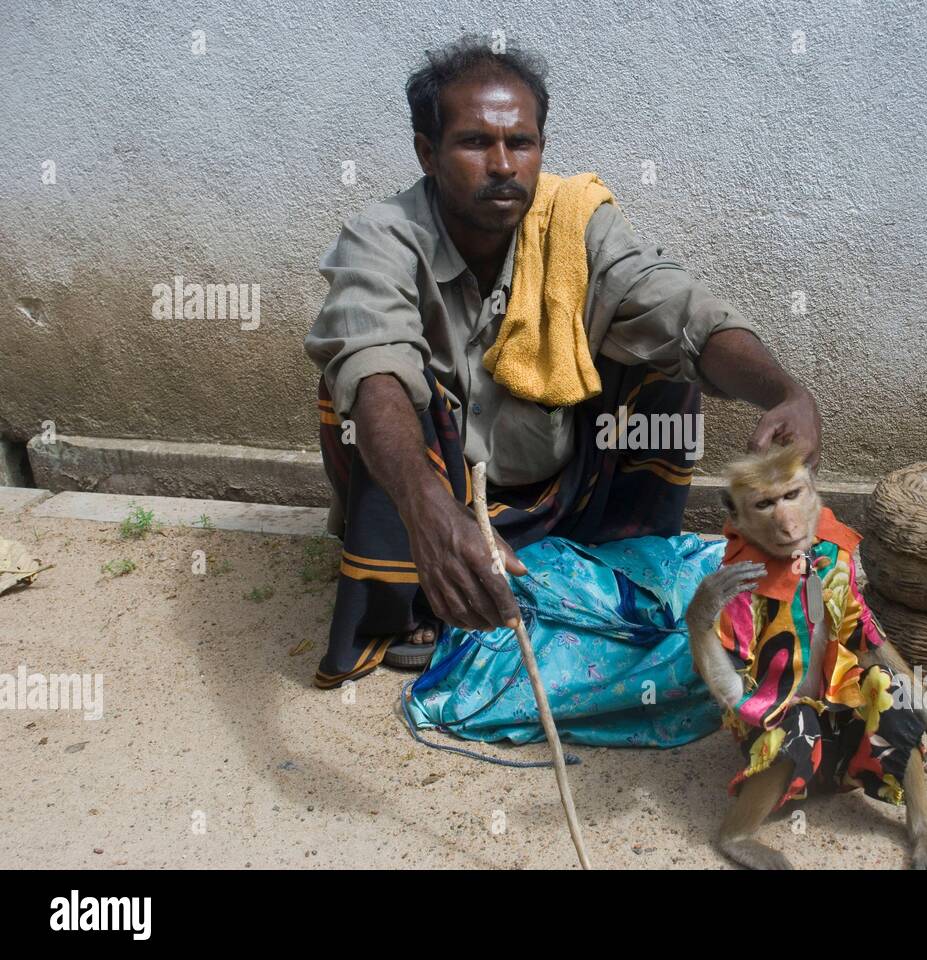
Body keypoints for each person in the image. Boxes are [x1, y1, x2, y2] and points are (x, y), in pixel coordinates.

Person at [303, 37, 821, 689]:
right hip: (441, 495)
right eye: (474, 143)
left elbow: (680, 311)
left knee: (663, 360)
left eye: (521, 143)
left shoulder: (572, 222)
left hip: (566, 483)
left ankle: (611, 559)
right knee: (367, 391)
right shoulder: (381, 239)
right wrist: (430, 514)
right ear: (426, 152)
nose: (502, 165)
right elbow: (370, 358)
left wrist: (784, 389)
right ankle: (413, 597)